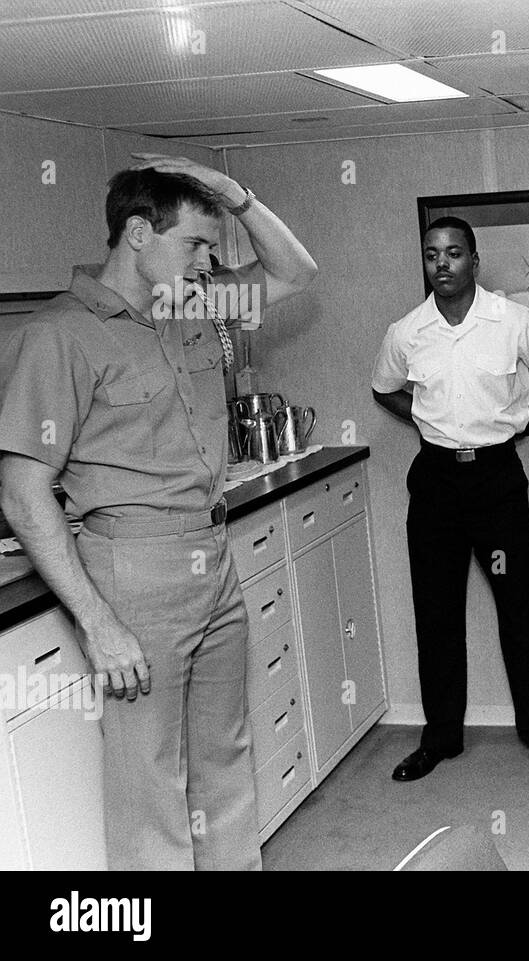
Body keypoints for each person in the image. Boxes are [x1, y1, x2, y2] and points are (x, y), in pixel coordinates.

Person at [0, 155, 318, 869]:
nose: (209, 262)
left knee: (225, 764)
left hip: (213, 558)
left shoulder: (192, 307)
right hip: (132, 573)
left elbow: (297, 272)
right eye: (196, 245)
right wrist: (98, 620)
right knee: (151, 787)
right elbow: (22, 490)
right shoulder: (58, 335)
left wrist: (239, 197)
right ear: (137, 234)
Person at [372, 216, 529, 786]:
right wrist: (425, 419)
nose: (442, 264)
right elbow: (384, 390)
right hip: (436, 483)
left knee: (520, 609)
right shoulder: (407, 331)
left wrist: (516, 421)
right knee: (436, 613)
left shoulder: (512, 322)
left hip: (495, 483)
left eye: (454, 253)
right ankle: (440, 738)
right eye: (431, 254)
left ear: (474, 258)